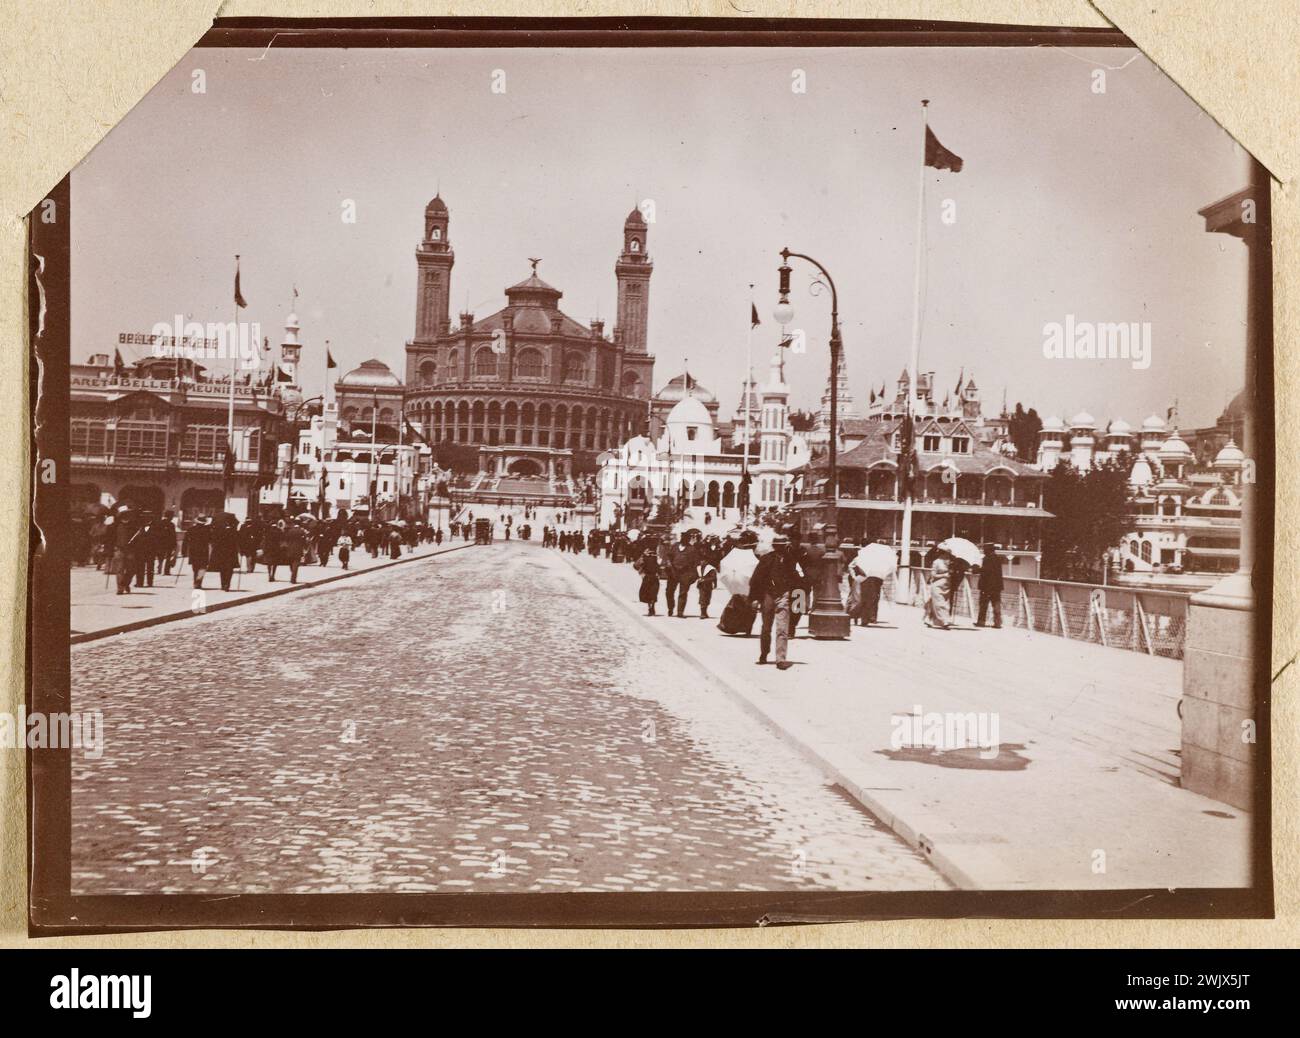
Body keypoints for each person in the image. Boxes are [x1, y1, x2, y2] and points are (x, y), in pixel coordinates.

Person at [749, 532, 803, 669]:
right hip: (768, 595)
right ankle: (764, 653)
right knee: (766, 627)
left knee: (782, 628)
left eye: (782, 546)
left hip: (783, 594)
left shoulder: (791, 560)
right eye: (779, 546)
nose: (781, 548)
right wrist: (754, 598)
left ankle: (780, 659)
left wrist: (798, 597)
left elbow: (797, 579)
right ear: (774, 546)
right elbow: (756, 580)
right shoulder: (766, 559)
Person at [208, 513, 240, 591]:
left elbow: (213, 541)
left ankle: (223, 584)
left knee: (222, 569)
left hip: (221, 553)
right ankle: (227, 584)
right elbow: (238, 541)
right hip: (231, 553)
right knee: (229, 569)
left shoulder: (218, 532)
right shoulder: (233, 532)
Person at [975, 543, 1004, 628]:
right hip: (997, 586)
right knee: (996, 604)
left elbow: (986, 571)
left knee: (983, 604)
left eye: (984, 549)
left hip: (986, 586)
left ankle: (981, 622)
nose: (983, 551)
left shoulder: (987, 559)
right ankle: (997, 622)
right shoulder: (998, 559)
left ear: (988, 550)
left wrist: (976, 570)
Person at [923, 550, 953, 629]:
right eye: (947, 554)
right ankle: (944, 621)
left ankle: (929, 620)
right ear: (942, 553)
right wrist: (944, 575)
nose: (948, 555)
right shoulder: (936, 562)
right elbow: (933, 575)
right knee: (939, 603)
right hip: (937, 585)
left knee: (941, 603)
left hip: (946, 586)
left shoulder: (949, 562)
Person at [182, 515, 211, 590]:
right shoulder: (207, 530)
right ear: (204, 523)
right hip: (203, 551)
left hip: (193, 551)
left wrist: (184, 551)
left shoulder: (191, 529)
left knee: (195, 567)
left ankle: (196, 581)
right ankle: (198, 581)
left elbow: (185, 541)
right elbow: (211, 540)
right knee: (202, 567)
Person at [634, 547, 661, 616]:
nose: (651, 554)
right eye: (649, 553)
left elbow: (659, 567)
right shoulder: (644, 558)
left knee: (652, 593)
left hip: (652, 578)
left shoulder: (656, 558)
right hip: (649, 578)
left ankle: (651, 607)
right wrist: (643, 556)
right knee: (650, 594)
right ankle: (651, 607)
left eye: (652, 553)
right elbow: (636, 566)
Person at [697, 554, 718, 619]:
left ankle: (705, 612)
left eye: (703, 561)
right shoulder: (699, 567)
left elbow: (714, 577)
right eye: (701, 561)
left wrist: (714, 584)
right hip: (701, 586)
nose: (702, 562)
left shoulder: (711, 569)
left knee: (707, 599)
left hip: (708, 586)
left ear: (707, 561)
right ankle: (702, 613)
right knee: (702, 598)